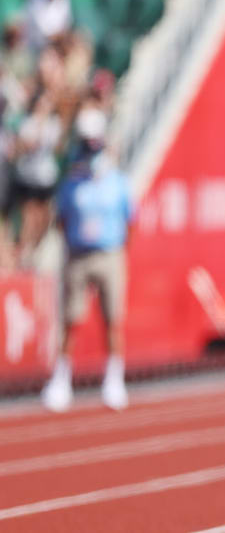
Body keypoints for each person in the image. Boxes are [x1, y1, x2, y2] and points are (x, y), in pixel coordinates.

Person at [42, 101, 133, 412]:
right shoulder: (71, 183)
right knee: (70, 319)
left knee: (112, 320)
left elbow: (129, 220)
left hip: (109, 254)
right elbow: (61, 220)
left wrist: (119, 249)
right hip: (78, 255)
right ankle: (61, 378)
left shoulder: (116, 180)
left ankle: (114, 379)